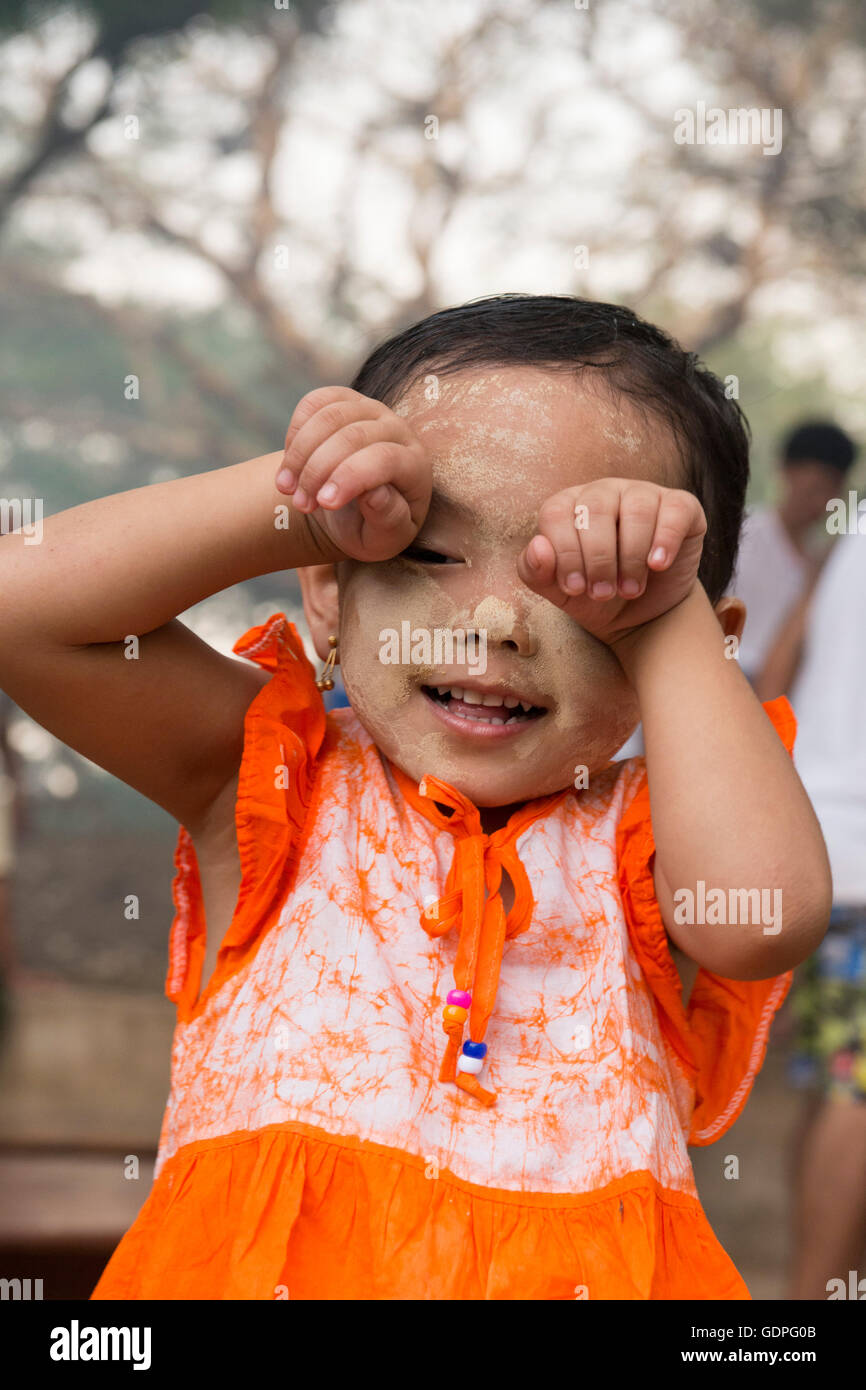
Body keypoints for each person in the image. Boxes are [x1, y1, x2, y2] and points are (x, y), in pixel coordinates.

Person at [0, 295, 831, 1300]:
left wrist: (668, 622)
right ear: (326, 590)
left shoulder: (645, 846)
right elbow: (24, 609)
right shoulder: (269, 779)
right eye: (427, 554)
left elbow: (764, 920)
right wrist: (294, 503)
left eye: (585, 585)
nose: (493, 622)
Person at [766, 528, 866, 1299]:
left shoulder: (851, 534)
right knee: (858, 1095)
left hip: (817, 835)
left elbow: (779, 662)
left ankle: (828, 1283)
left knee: (836, 1081)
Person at [727, 421, 857, 686]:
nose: (820, 503)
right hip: (730, 678)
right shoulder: (740, 539)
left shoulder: (825, 560)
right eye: (814, 489)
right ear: (786, 471)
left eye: (832, 492)